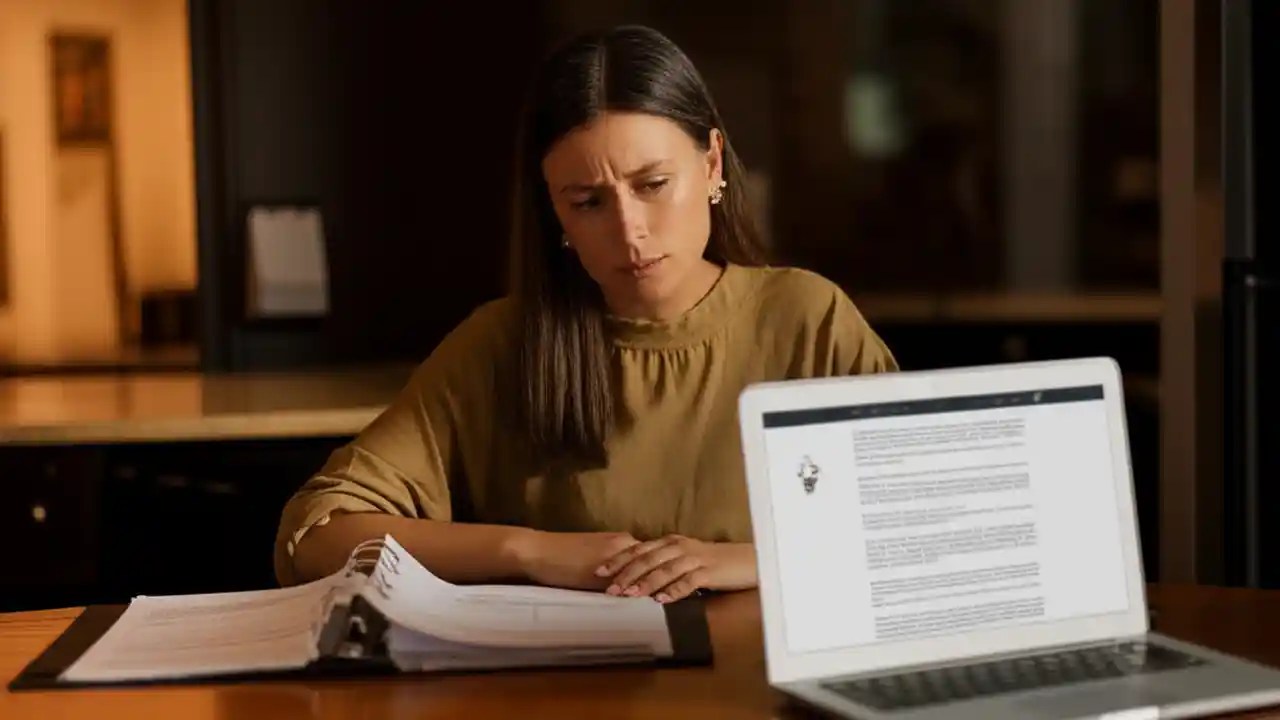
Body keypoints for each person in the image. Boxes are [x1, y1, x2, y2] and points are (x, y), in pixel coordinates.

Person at [275, 25, 897, 604]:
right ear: (554, 213)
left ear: (711, 164)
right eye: (589, 201)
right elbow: (316, 536)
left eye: (653, 185)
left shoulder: (808, 320)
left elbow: (924, 527)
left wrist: (753, 561)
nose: (630, 232)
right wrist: (528, 551)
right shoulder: (500, 345)